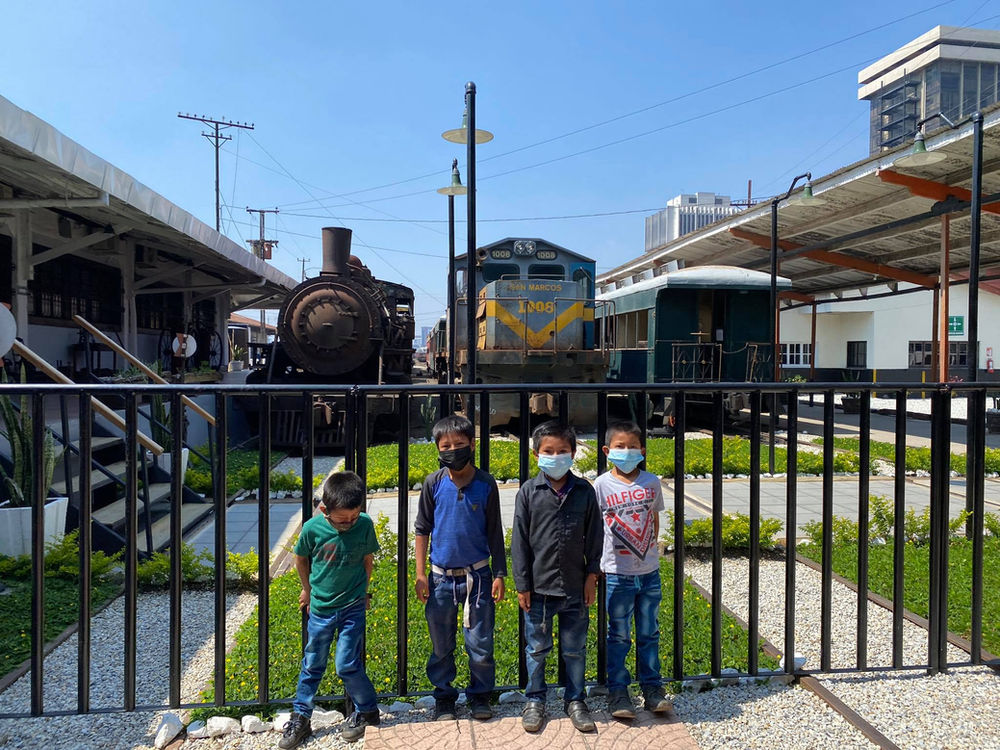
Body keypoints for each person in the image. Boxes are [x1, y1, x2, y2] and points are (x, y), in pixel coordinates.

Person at [511, 421, 602, 734]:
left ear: (573, 453)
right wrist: (522, 585)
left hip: (575, 588)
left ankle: (575, 698)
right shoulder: (528, 492)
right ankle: (535, 699)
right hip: (538, 590)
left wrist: (592, 575)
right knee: (536, 649)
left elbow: (595, 536)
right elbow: (519, 542)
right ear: (537, 454)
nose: (556, 456)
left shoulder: (584, 492)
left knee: (575, 649)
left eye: (562, 451)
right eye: (549, 451)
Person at [279, 471, 381, 749]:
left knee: (347, 663)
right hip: (321, 608)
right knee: (312, 664)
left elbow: (367, 560)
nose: (349, 523)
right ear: (325, 509)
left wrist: (363, 592)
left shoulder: (364, 525)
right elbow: (300, 559)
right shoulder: (313, 528)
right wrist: (307, 591)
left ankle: (367, 710)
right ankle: (301, 717)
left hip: (352, 607)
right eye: (341, 519)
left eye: (353, 516)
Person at [414, 415, 506, 721]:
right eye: (446, 446)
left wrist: (500, 573)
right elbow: (422, 529)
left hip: (477, 577)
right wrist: (419, 573)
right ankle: (444, 697)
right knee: (441, 644)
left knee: (480, 643)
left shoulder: (485, 483)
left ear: (472, 445)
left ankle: (480, 695)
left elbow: (495, 532)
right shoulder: (433, 483)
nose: (453, 450)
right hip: (440, 579)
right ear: (438, 449)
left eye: (460, 444)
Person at [594, 420, 673, 719]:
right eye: (619, 447)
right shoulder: (601, 485)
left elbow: (654, 519)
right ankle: (618, 691)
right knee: (619, 634)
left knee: (649, 632)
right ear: (607, 451)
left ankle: (652, 687)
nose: (626, 452)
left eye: (632, 447)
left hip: (649, 570)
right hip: (616, 573)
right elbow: (597, 527)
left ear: (642, 450)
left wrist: (652, 550)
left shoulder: (651, 482)